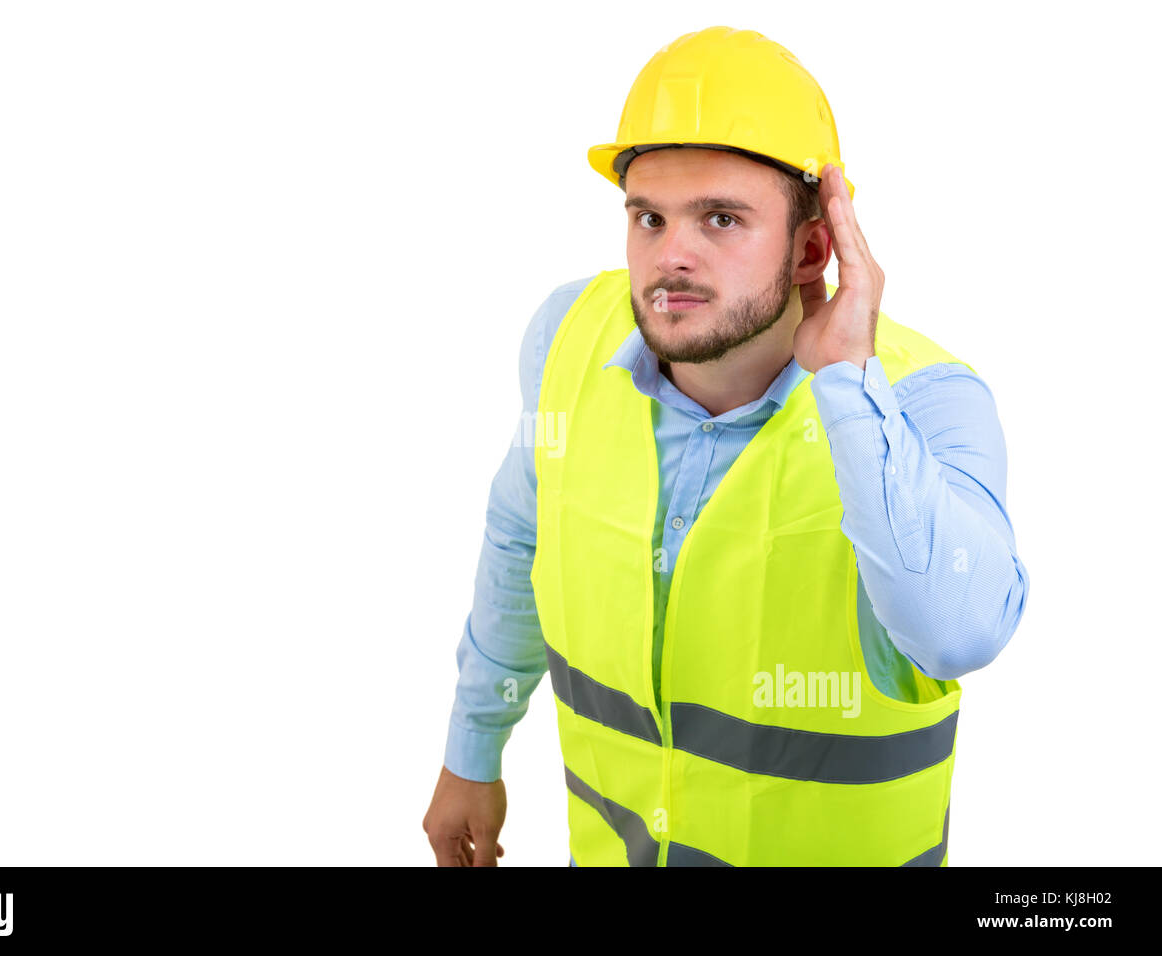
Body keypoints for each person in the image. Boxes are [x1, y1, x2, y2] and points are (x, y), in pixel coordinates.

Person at [422, 26, 1030, 866]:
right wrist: (472, 748)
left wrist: (849, 385)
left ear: (813, 247)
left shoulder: (926, 402)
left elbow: (960, 634)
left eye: (721, 219)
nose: (671, 256)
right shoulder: (566, 338)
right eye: (649, 217)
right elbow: (517, 541)